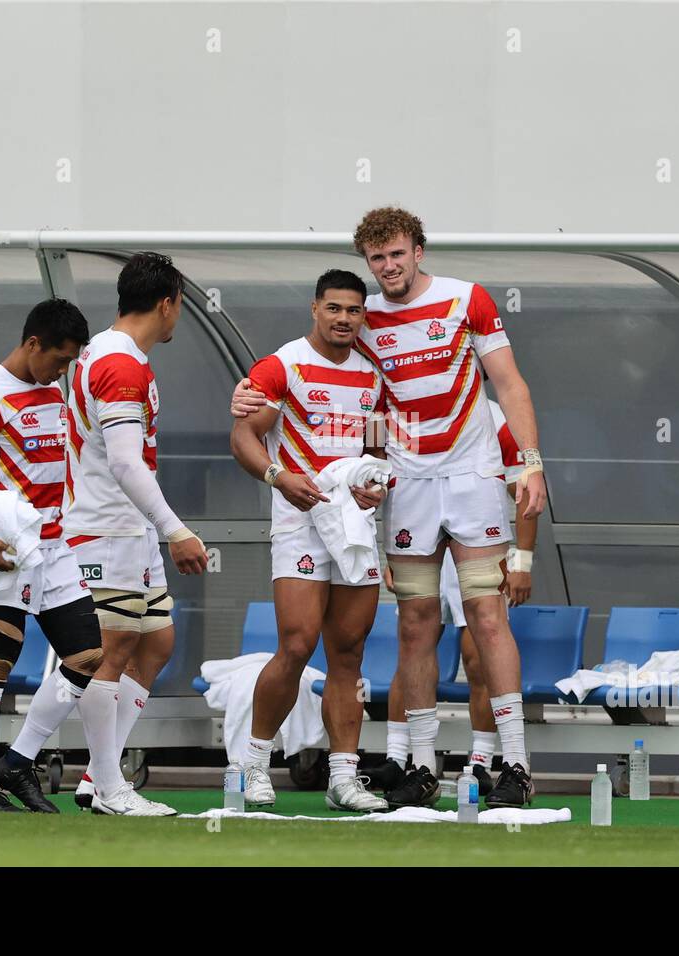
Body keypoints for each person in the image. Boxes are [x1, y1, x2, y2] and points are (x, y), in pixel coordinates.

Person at [231, 207, 547, 808]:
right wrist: (248, 394)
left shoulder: (467, 300)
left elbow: (509, 383)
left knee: (486, 620)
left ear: (419, 251)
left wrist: (528, 458)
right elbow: (340, 398)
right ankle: (420, 767)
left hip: (472, 474)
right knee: (413, 625)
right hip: (405, 488)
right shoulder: (362, 319)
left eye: (397, 254)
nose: (388, 267)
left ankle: (516, 765)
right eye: (377, 258)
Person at [0, 298, 129, 813]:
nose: (64, 370)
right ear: (32, 344)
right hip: (3, 547)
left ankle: (18, 761)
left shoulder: (56, 389)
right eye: (59, 359)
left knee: (88, 656)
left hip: (56, 544)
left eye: (72, 362)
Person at [229, 269, 390, 812]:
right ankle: (253, 763)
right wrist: (279, 477)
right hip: (300, 519)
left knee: (348, 653)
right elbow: (243, 435)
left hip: (352, 527)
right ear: (315, 309)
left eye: (354, 310)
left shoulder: (372, 376)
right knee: (297, 645)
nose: (344, 319)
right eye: (334, 309)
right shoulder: (285, 364)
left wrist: (376, 486)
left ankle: (344, 779)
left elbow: (378, 451)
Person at [64, 252, 208, 815]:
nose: (178, 319)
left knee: (156, 642)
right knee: (112, 649)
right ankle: (105, 786)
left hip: (128, 528)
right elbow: (125, 462)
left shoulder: (107, 353)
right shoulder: (120, 364)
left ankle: (99, 773)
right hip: (107, 527)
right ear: (166, 303)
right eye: (179, 307)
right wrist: (177, 530)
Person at [365, 399, 537, 800]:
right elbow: (373, 470)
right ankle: (406, 760)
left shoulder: (494, 414)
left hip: (473, 536)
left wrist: (523, 561)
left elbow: (523, 484)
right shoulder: (390, 408)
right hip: (420, 540)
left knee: (479, 652)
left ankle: (488, 761)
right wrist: (381, 550)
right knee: (412, 637)